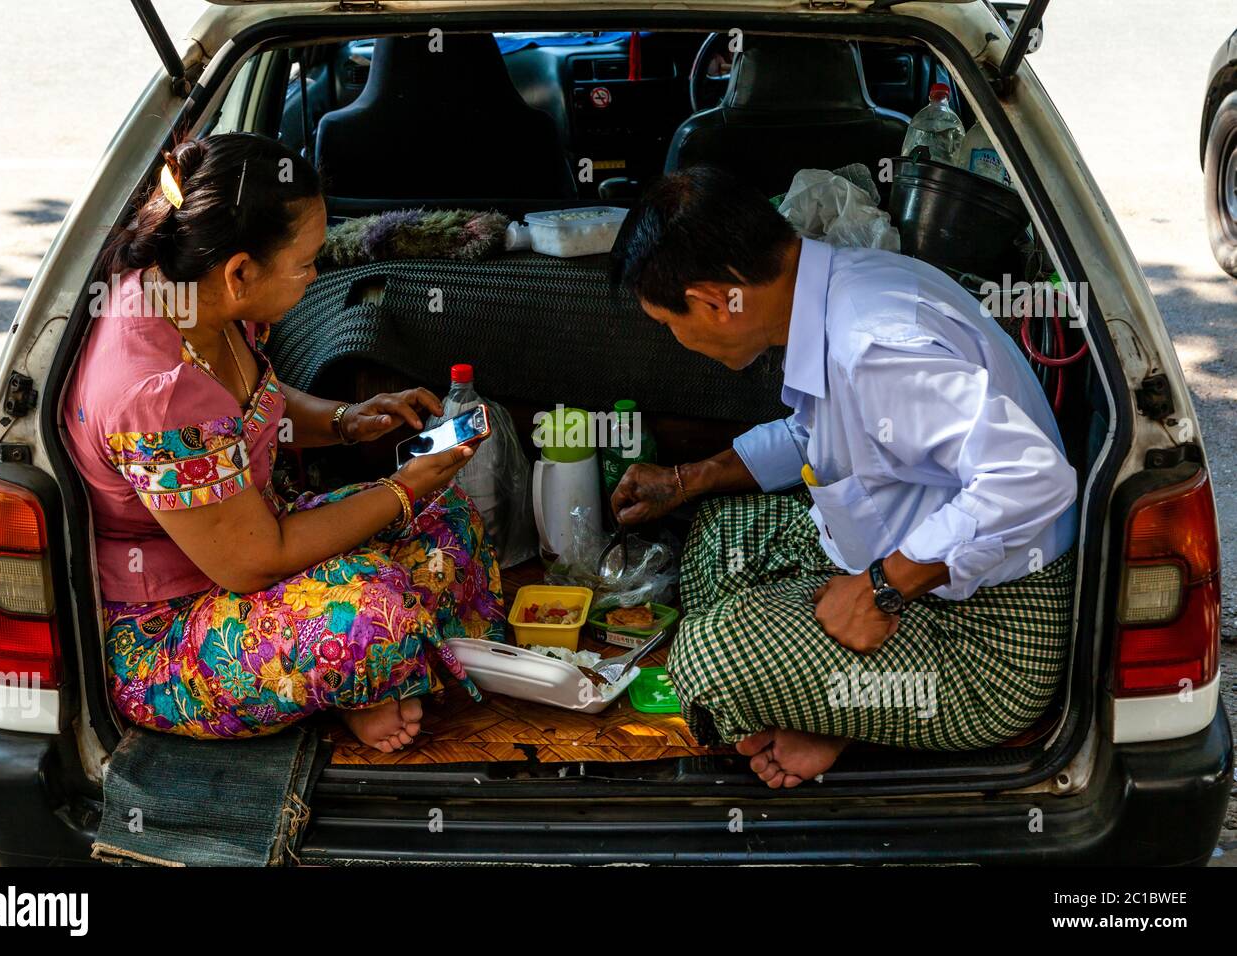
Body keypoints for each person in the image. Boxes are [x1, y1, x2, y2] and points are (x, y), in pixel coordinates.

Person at [608, 165, 1077, 787]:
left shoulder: (874, 343)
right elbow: (821, 433)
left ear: (714, 302)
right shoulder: (838, 288)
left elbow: (1031, 476)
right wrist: (688, 478)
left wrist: (882, 587)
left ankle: (830, 709)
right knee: (720, 535)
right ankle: (823, 709)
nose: (677, 339)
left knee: (706, 656)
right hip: (911, 570)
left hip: (987, 640)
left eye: (671, 324)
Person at [64, 133, 505, 751]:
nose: (316, 275)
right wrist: (402, 488)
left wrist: (348, 419)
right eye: (306, 262)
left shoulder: (197, 294)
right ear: (241, 271)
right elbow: (254, 562)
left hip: (256, 544)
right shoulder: (157, 396)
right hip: (171, 627)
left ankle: (370, 678)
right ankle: (370, 677)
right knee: (370, 607)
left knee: (447, 520)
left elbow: (253, 406)